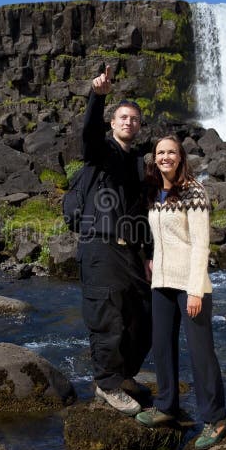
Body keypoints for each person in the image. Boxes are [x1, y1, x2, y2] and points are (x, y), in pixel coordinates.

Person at [134, 135, 226, 450]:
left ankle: (216, 420)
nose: (165, 157)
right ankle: (166, 407)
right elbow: (158, 235)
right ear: (154, 158)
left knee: (201, 353)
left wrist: (195, 291)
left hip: (191, 285)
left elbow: (201, 244)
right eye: (160, 152)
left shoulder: (194, 191)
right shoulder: (153, 191)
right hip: (161, 282)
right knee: (161, 346)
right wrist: (150, 259)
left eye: (171, 152)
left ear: (180, 157)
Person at [78, 66, 152, 416]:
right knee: (107, 315)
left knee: (141, 316)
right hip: (99, 243)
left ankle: (123, 375)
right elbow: (88, 134)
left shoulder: (138, 161)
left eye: (134, 119)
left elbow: (143, 209)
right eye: (123, 117)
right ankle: (106, 383)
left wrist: (149, 252)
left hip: (132, 248)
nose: (129, 122)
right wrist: (98, 96)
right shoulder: (101, 151)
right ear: (113, 122)